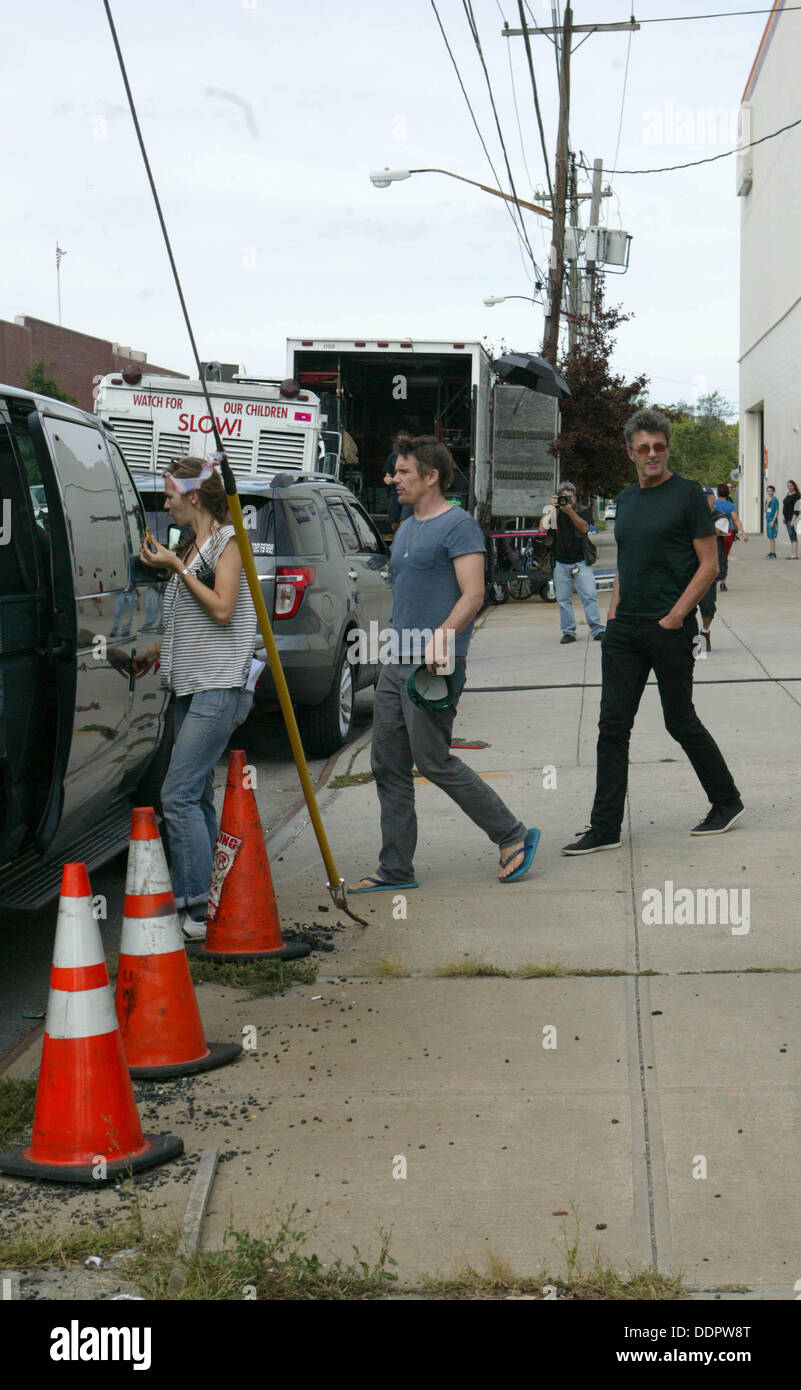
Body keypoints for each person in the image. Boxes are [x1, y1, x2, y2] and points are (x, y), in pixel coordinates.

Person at [350, 435, 539, 891]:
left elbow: (473, 594)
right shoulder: (409, 525)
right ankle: (395, 869)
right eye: (395, 471)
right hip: (398, 660)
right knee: (387, 765)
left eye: (403, 472)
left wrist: (441, 641)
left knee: (433, 760)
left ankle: (512, 834)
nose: (393, 479)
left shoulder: (459, 526)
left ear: (431, 476)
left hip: (433, 664)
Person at [561, 408, 743, 855]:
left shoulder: (686, 496)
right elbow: (627, 562)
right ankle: (604, 828)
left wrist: (677, 616)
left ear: (667, 448)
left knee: (679, 720)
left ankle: (727, 801)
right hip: (625, 629)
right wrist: (615, 613)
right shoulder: (625, 498)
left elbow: (709, 564)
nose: (652, 454)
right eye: (643, 448)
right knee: (612, 726)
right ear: (630, 452)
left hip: (669, 627)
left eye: (659, 446)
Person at [135, 457, 258, 939]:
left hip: (219, 685)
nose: (165, 504)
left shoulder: (228, 542)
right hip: (190, 683)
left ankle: (194, 910)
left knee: (177, 795)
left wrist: (175, 567)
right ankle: (214, 904)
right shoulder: (192, 545)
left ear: (193, 497)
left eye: (169, 495)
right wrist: (156, 652)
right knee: (198, 796)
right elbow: (193, 619)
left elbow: (224, 611)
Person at [551, 481, 604, 644]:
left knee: (589, 595)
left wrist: (569, 511)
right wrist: (552, 509)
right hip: (560, 561)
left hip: (581, 560)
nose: (567, 500)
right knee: (563, 599)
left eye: (570, 496)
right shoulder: (554, 512)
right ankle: (568, 632)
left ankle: (597, 629)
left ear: (575, 496)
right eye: (563, 497)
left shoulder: (582, 510)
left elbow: (584, 528)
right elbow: (542, 527)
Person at [698, 486, 724, 651]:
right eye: (709, 497)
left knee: (708, 605)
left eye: (712, 497)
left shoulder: (720, 516)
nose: (713, 500)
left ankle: (705, 631)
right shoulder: (691, 517)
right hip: (689, 567)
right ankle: (694, 641)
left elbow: (719, 530)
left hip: (709, 568)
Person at [713, 484, 748, 590]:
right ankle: (723, 582)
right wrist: (743, 532)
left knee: (715, 556)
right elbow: (735, 519)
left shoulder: (713, 504)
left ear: (717, 493)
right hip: (728, 532)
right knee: (724, 557)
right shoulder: (730, 505)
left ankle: (713, 579)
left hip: (716, 531)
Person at [782, 481, 800, 558]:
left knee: (793, 536)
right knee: (791, 536)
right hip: (787, 518)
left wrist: (793, 520)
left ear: (794, 486)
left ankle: (794, 554)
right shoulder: (788, 494)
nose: (789, 487)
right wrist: (784, 517)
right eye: (788, 485)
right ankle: (793, 554)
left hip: (792, 519)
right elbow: (786, 506)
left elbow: (796, 509)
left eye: (790, 485)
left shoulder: (796, 495)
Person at [764, 485, 779, 558]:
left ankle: (773, 553)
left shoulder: (775, 500)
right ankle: (771, 552)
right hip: (768, 520)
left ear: (773, 491)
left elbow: (777, 511)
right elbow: (765, 510)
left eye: (771, 491)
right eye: (768, 491)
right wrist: (767, 502)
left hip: (772, 521)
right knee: (770, 537)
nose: (769, 492)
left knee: (772, 537)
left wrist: (773, 521)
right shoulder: (767, 500)